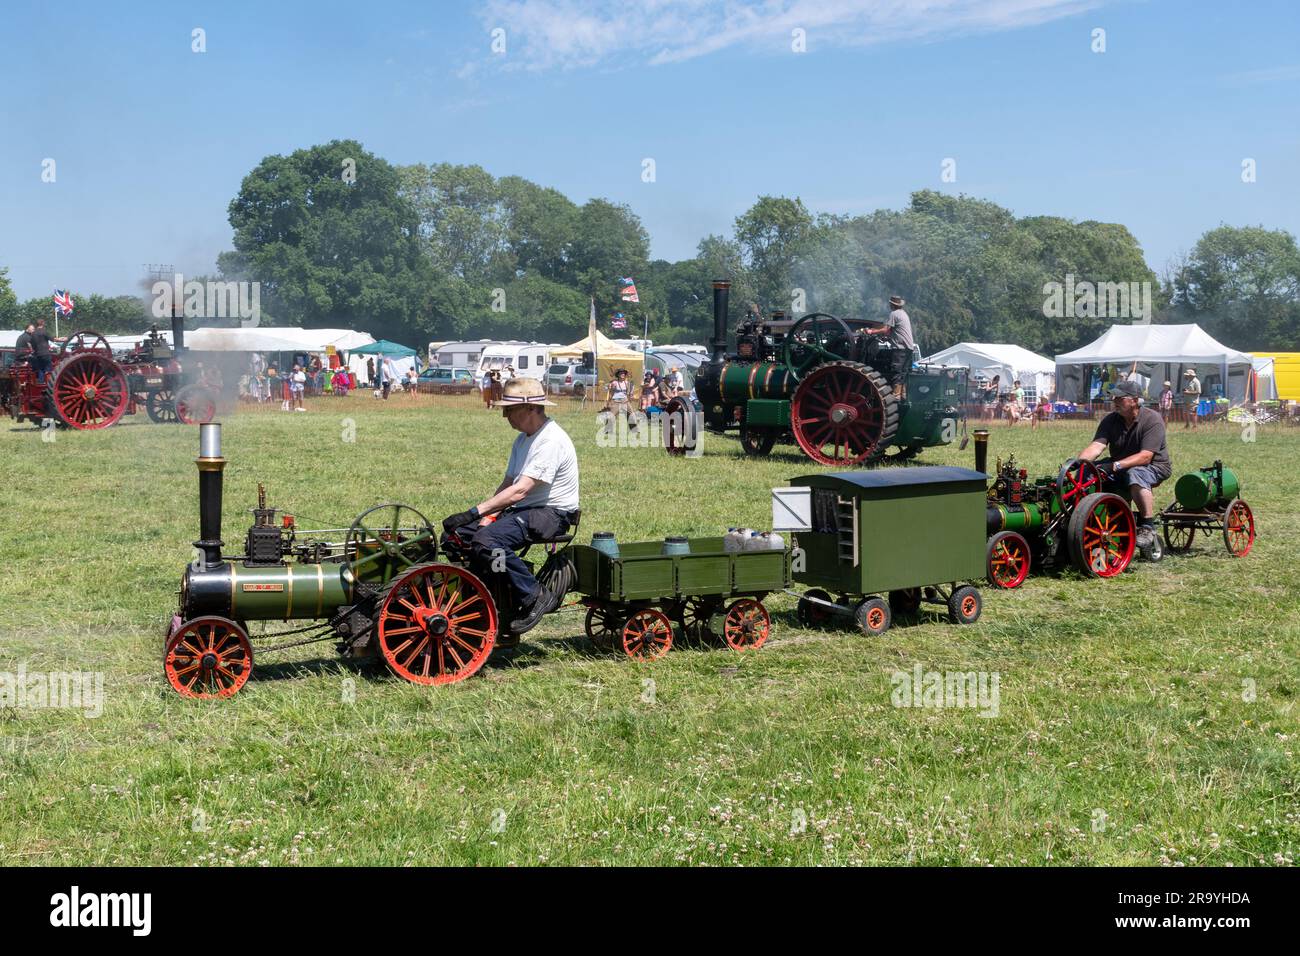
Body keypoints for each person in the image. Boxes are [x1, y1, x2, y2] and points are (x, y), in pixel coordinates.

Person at [441, 377, 580, 633]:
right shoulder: (524, 439)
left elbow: (520, 490)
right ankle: (482, 591)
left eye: (509, 409)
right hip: (525, 510)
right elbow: (508, 483)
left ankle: (534, 595)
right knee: (456, 536)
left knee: (487, 542)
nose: (505, 416)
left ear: (531, 408)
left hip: (552, 514)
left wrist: (474, 512)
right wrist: (485, 518)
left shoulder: (550, 440)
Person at [1075, 380, 1171, 552]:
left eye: (1120, 397)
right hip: (1121, 464)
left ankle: (1147, 526)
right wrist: (1078, 463)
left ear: (1135, 400)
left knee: (1136, 474)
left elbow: (1145, 457)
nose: (1115, 401)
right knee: (1086, 472)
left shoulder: (1152, 420)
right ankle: (1081, 517)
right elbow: (1097, 445)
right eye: (1114, 397)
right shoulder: (1111, 420)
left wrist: (1114, 466)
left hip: (1154, 467)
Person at [865, 295, 914, 398]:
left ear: (892, 305)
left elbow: (886, 330)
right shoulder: (904, 314)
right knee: (903, 372)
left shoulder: (894, 314)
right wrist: (887, 338)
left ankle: (896, 395)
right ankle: (902, 394)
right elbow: (895, 332)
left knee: (896, 371)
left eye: (890, 304)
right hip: (908, 347)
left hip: (900, 348)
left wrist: (871, 331)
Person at [30, 319, 53, 384]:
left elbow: (32, 344)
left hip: (38, 354)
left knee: (41, 369)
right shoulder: (44, 331)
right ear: (42, 323)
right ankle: (49, 383)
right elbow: (52, 339)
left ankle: (41, 382)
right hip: (46, 353)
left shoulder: (33, 333)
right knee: (48, 369)